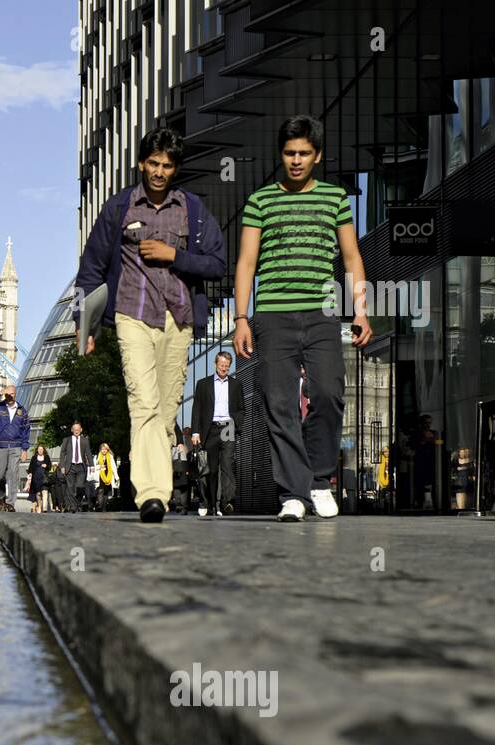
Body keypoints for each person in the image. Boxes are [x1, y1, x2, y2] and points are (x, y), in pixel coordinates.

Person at [75, 126, 227, 524]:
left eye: (167, 165)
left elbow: (217, 262)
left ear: (175, 169)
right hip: (132, 315)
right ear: (142, 164)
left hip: (178, 320)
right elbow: (91, 269)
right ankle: (153, 495)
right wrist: (85, 325)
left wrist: (173, 254)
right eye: (154, 163)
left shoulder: (191, 209)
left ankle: (155, 490)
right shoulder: (119, 207)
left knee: (165, 409)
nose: (159, 171)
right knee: (142, 402)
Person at [233, 115, 371, 522]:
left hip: (322, 315)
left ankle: (320, 479)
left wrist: (360, 310)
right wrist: (242, 318)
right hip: (273, 316)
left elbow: (351, 257)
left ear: (318, 156)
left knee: (328, 394)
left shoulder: (334, 199)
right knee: (279, 404)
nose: (295, 160)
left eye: (304, 154)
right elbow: (246, 261)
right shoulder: (261, 200)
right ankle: (292, 492)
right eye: (290, 153)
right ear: (281, 154)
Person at [191, 350, 246, 516]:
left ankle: (226, 502)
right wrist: (195, 432)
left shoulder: (236, 385)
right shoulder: (203, 384)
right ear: (216, 364)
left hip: (228, 426)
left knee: (228, 465)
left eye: (227, 366)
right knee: (211, 469)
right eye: (222, 365)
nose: (224, 368)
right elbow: (197, 409)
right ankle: (208, 503)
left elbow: (241, 408)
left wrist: (237, 424)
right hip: (210, 429)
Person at [0, 384, 31, 512]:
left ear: (16, 394)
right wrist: (0, 392)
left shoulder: (22, 411)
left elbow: (26, 430)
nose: (10, 396)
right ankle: (0, 500)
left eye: (12, 394)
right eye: (8, 394)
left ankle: (10, 503)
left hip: (16, 446)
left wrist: (25, 449)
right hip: (1, 446)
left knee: (13, 474)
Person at [58, 422, 94, 513]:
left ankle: (77, 503)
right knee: (70, 487)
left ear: (81, 430)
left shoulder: (85, 440)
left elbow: (88, 453)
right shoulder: (67, 440)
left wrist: (92, 465)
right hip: (70, 467)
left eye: (78, 429)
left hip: (81, 467)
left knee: (80, 486)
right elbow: (62, 453)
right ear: (72, 430)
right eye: (75, 429)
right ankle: (74, 506)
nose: (76, 431)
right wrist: (62, 466)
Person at [95, 442, 120, 511]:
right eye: (103, 449)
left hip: (109, 476)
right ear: (100, 450)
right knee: (100, 490)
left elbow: (114, 467)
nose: (104, 451)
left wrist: (116, 477)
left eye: (105, 449)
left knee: (106, 492)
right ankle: (100, 506)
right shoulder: (98, 456)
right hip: (100, 476)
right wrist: (100, 466)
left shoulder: (110, 456)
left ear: (107, 450)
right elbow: (94, 467)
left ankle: (104, 508)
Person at [28, 444, 52, 513]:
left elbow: (50, 466)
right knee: (38, 494)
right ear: (37, 450)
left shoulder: (47, 457)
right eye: (39, 449)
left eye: (41, 449)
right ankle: (39, 505)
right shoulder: (34, 457)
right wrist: (30, 474)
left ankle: (44, 508)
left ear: (43, 450)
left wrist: (46, 466)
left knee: (45, 492)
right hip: (36, 479)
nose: (40, 451)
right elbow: (30, 468)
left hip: (44, 478)